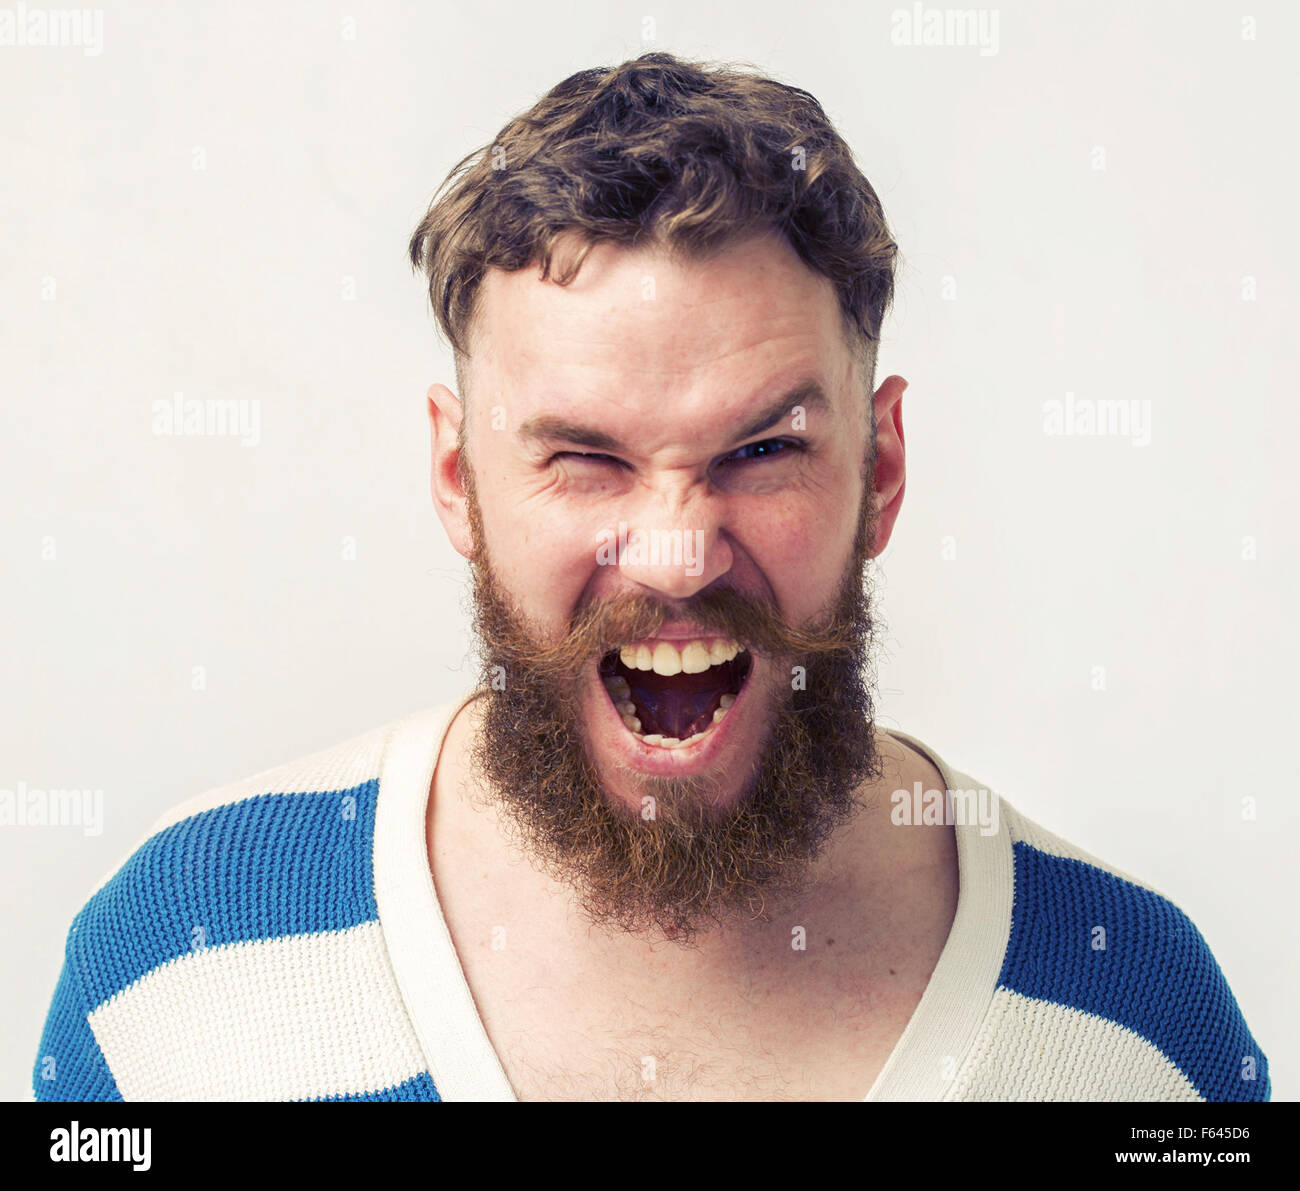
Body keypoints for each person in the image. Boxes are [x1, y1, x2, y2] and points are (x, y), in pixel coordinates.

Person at [33, 51, 1268, 1102]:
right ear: (458, 479)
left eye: (763, 451)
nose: (677, 553)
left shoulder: (1139, 1029)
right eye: (583, 459)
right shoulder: (168, 980)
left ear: (882, 468)